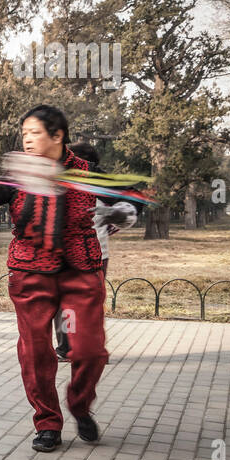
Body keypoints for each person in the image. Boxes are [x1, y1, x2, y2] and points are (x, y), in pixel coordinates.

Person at [0, 105, 108, 453]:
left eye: (34, 132)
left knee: (89, 349)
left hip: (80, 270)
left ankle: (80, 405)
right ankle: (47, 422)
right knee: (36, 352)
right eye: (24, 132)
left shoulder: (87, 172)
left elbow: (126, 198)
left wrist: (126, 208)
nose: (26, 138)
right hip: (31, 272)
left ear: (57, 136)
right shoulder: (17, 176)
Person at [52, 141, 137, 362]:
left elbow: (126, 212)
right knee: (63, 303)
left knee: (86, 304)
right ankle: (66, 348)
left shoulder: (101, 187)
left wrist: (113, 219)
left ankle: (90, 348)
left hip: (93, 256)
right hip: (64, 254)